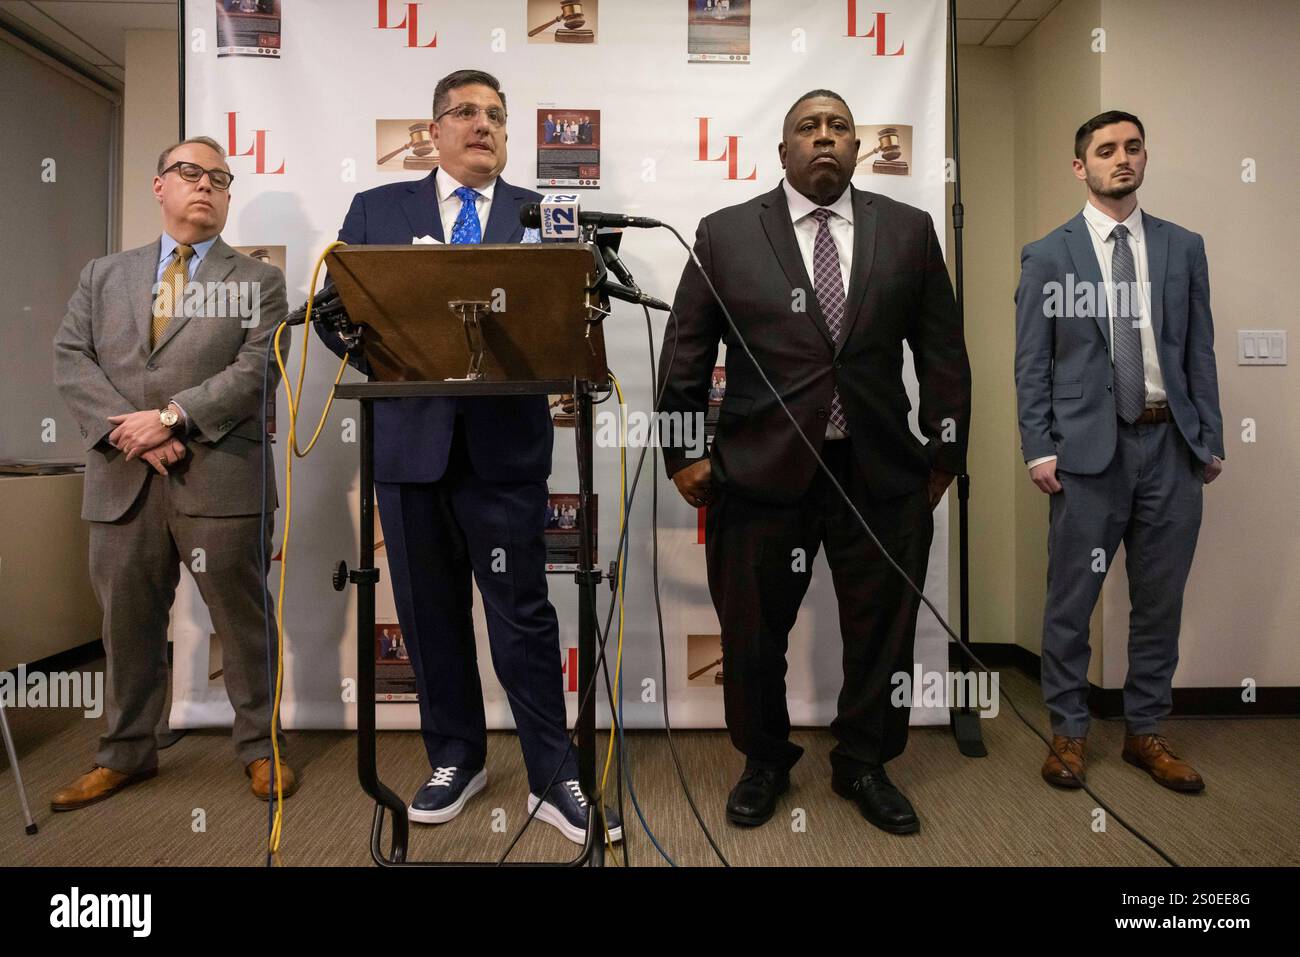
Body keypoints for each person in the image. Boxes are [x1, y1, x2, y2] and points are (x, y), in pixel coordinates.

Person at [315, 69, 620, 845]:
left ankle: (556, 778)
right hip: (410, 449)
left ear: (508, 135)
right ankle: (458, 755)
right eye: (465, 112)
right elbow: (334, 311)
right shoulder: (378, 211)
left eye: (495, 115)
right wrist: (371, 346)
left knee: (521, 617)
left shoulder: (539, 214)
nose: (481, 124)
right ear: (434, 131)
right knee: (428, 616)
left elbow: (577, 313)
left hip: (503, 453)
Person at [658, 89, 970, 834]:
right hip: (759, 474)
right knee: (753, 635)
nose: (824, 137)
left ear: (859, 149)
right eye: (808, 127)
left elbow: (942, 353)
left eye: (839, 127)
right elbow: (687, 351)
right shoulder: (727, 234)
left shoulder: (911, 231)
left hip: (882, 474)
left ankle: (865, 760)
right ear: (783, 151)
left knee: (883, 634)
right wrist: (680, 452)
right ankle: (764, 758)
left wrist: (946, 449)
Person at [51, 135, 293, 809]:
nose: (207, 186)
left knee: (241, 623)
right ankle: (125, 752)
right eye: (191, 172)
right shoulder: (103, 275)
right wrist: (132, 431)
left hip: (221, 479)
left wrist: (173, 416)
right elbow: (72, 360)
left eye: (220, 178)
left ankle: (260, 747)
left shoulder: (259, 281)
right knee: (126, 625)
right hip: (122, 480)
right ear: (159, 186)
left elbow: (255, 372)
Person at [1015, 110, 1223, 793]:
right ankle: (1069, 733)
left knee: (1159, 601)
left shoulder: (1182, 246)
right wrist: (1038, 446)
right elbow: (1032, 361)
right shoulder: (1049, 254)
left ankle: (1146, 732)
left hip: (1172, 447)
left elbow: (1199, 349)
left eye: (1133, 146)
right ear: (1081, 166)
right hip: (1085, 454)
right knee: (1071, 601)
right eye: (1106, 150)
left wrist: (1210, 438)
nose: (1122, 158)